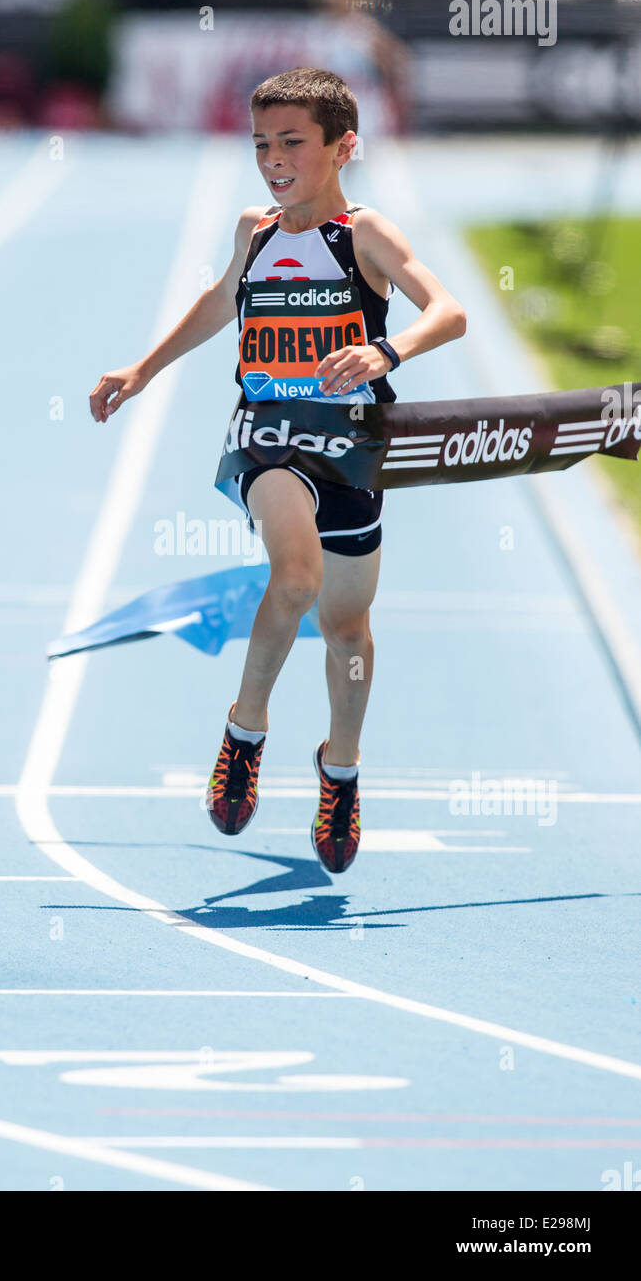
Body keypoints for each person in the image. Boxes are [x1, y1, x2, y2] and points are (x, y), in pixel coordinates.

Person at [89, 67, 466, 874]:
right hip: (267, 436)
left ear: (343, 147)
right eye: (262, 142)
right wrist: (142, 369)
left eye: (292, 142)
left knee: (348, 633)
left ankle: (341, 770)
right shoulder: (253, 230)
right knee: (292, 578)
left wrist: (385, 349)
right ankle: (245, 732)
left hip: (354, 448)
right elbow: (223, 299)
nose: (272, 158)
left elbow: (449, 310)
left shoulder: (364, 236)